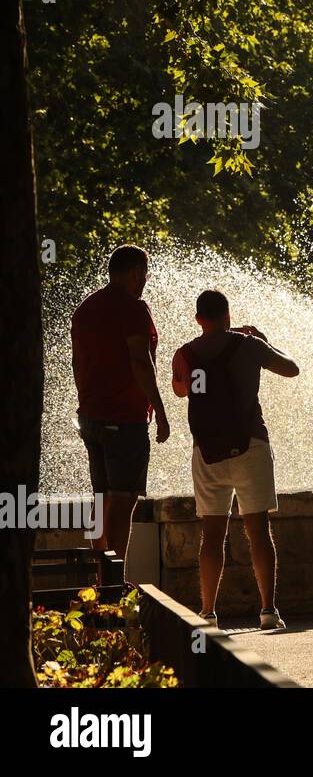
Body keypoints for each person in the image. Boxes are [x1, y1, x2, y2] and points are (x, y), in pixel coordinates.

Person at [171, 290, 299, 631]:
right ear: (228, 314)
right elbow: (292, 369)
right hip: (250, 445)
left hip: (207, 452)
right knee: (258, 530)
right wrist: (261, 339)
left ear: (199, 320)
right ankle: (268, 610)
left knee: (212, 534)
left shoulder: (184, 354)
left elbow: (180, 390)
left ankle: (208, 611)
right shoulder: (249, 345)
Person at [71, 245, 169, 576]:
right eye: (143, 274)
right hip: (124, 419)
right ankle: (113, 585)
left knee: (101, 499)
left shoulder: (85, 309)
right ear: (132, 272)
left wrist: (86, 403)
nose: (144, 281)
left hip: (91, 417)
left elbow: (77, 363)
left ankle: (98, 581)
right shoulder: (132, 308)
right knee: (123, 500)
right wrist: (160, 410)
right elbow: (141, 362)